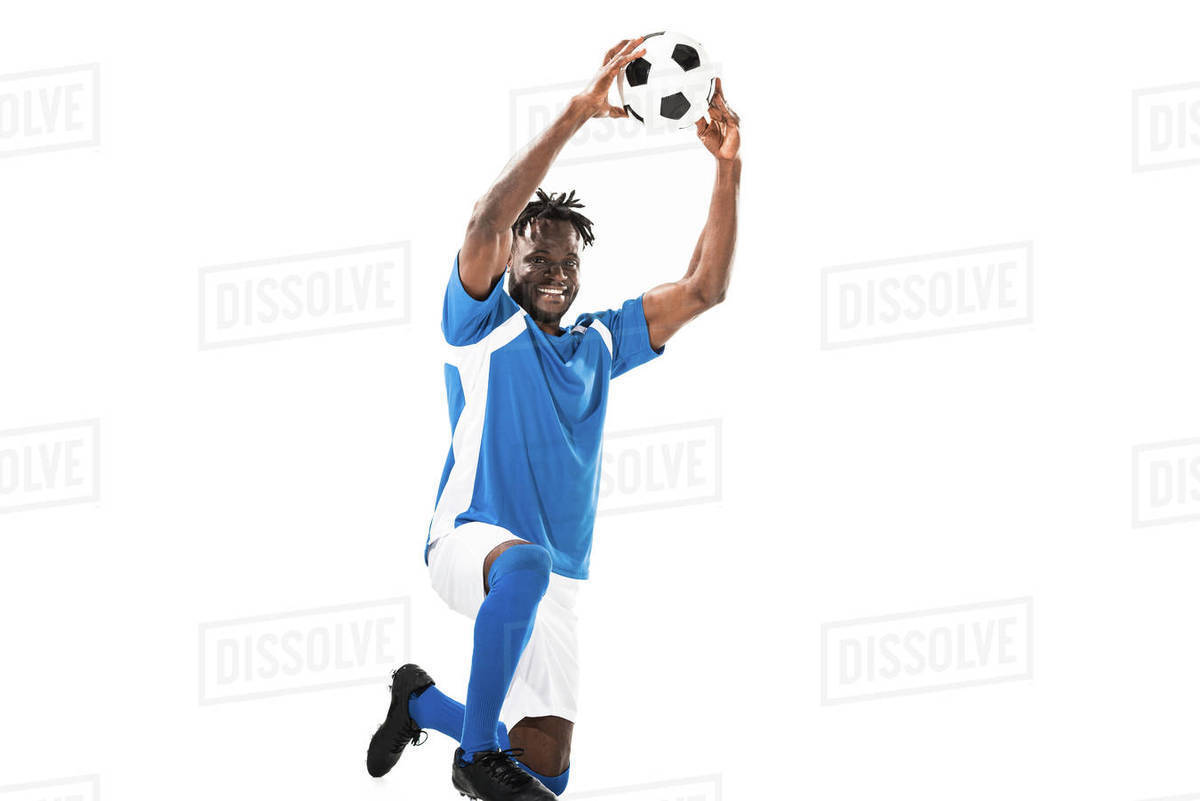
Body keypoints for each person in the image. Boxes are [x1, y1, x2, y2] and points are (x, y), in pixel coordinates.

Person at [367, 35, 741, 801]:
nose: (555, 273)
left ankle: (419, 701)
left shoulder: (599, 343)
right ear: (510, 260)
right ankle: (471, 753)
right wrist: (579, 112)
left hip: (557, 579)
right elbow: (483, 220)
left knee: (547, 772)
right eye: (538, 256)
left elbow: (706, 287)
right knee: (525, 574)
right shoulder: (480, 324)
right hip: (470, 538)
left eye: (569, 263)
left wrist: (728, 168)